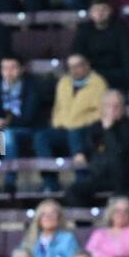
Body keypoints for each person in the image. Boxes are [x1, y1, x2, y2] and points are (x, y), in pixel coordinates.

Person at [35, 53, 109, 192]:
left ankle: (82, 182)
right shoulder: (64, 82)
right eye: (71, 67)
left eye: (78, 66)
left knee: (75, 133)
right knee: (41, 137)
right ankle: (50, 183)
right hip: (63, 128)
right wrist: (59, 123)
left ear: (87, 66)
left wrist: (79, 122)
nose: (74, 70)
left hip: (87, 130)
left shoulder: (99, 84)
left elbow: (101, 112)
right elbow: (57, 108)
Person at [61, 88, 129, 205]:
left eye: (117, 106)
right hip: (100, 177)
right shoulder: (97, 126)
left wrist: (109, 130)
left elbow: (120, 151)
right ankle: (85, 223)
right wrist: (81, 153)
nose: (113, 110)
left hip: (124, 179)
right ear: (103, 108)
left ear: (123, 108)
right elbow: (91, 146)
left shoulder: (128, 127)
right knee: (73, 191)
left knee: (119, 196)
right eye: (109, 106)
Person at [0, 55, 44, 194]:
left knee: (6, 135)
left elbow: (29, 116)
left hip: (27, 130)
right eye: (5, 68)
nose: (9, 72)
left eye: (13, 68)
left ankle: (10, 182)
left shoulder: (32, 85)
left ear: (22, 69)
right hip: (2, 131)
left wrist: (5, 122)